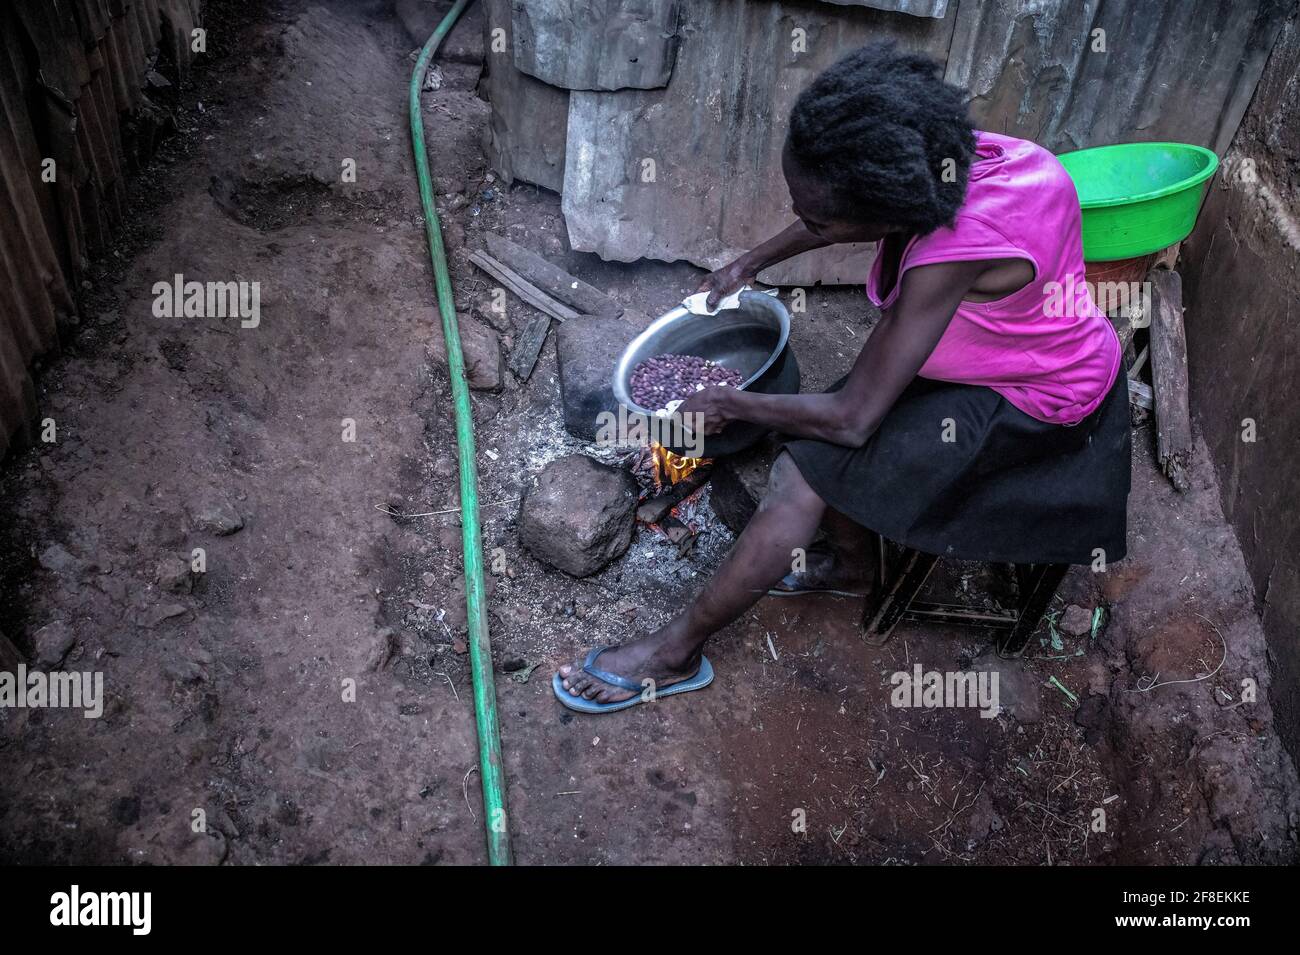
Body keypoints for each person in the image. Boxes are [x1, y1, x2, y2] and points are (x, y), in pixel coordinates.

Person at [554, 42, 1129, 713]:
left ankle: (673, 652)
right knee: (823, 428)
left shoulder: (952, 253)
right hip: (1039, 351)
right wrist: (752, 261)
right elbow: (836, 214)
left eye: (821, 220)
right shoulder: (969, 157)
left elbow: (854, 418)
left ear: (887, 208)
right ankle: (855, 566)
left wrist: (737, 403)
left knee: (801, 473)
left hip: (1034, 402)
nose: (810, 226)